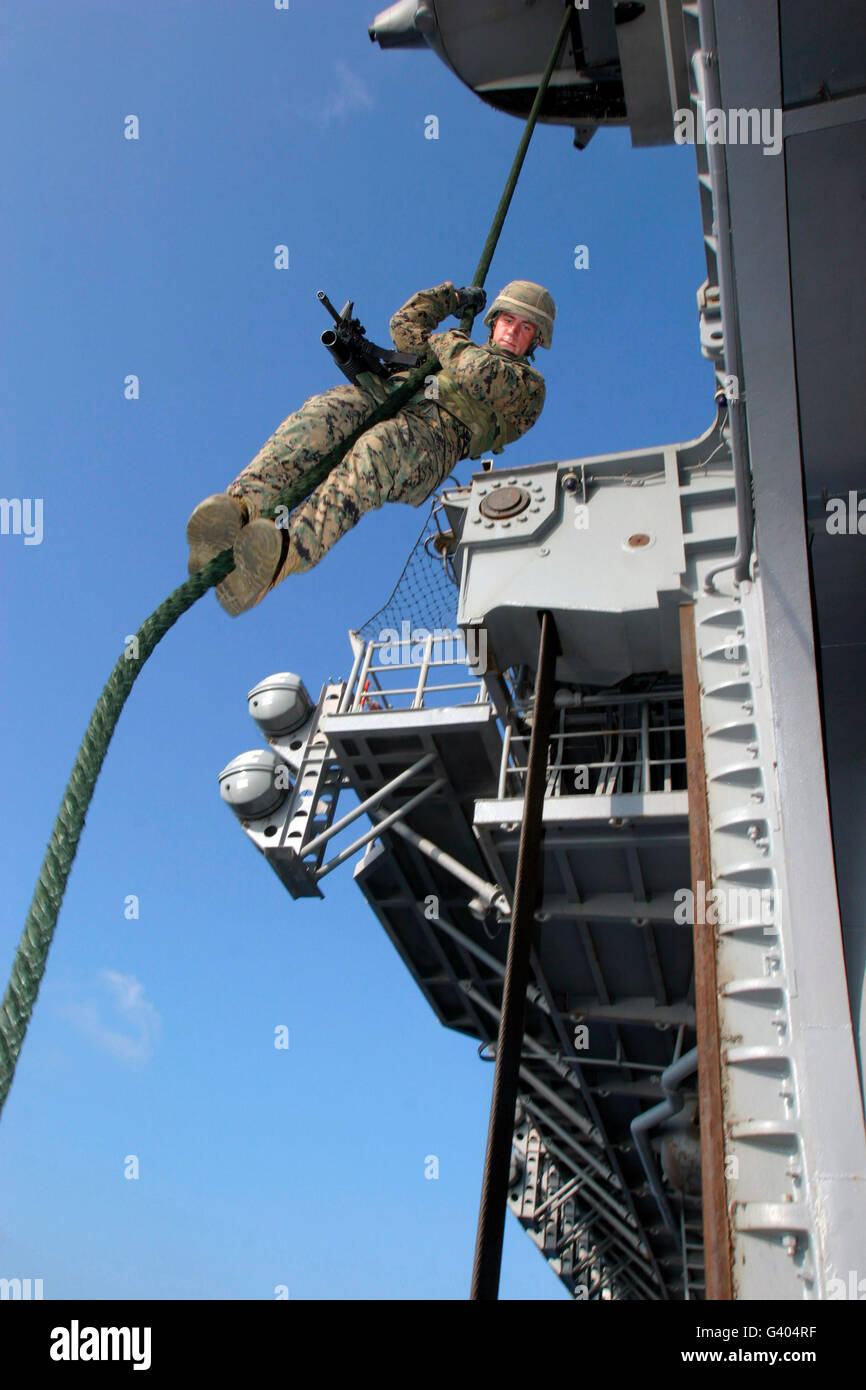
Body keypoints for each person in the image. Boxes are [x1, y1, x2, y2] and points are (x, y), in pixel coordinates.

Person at [186, 279, 555, 615]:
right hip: (386, 400)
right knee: (323, 413)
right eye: (508, 320)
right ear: (493, 322)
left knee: (378, 449)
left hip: (432, 440)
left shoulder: (528, 387)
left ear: (535, 341)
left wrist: (444, 343)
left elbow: (477, 372)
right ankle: (240, 509)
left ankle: (276, 560)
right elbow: (404, 325)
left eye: (526, 328)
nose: (513, 332)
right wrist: (452, 298)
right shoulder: (455, 348)